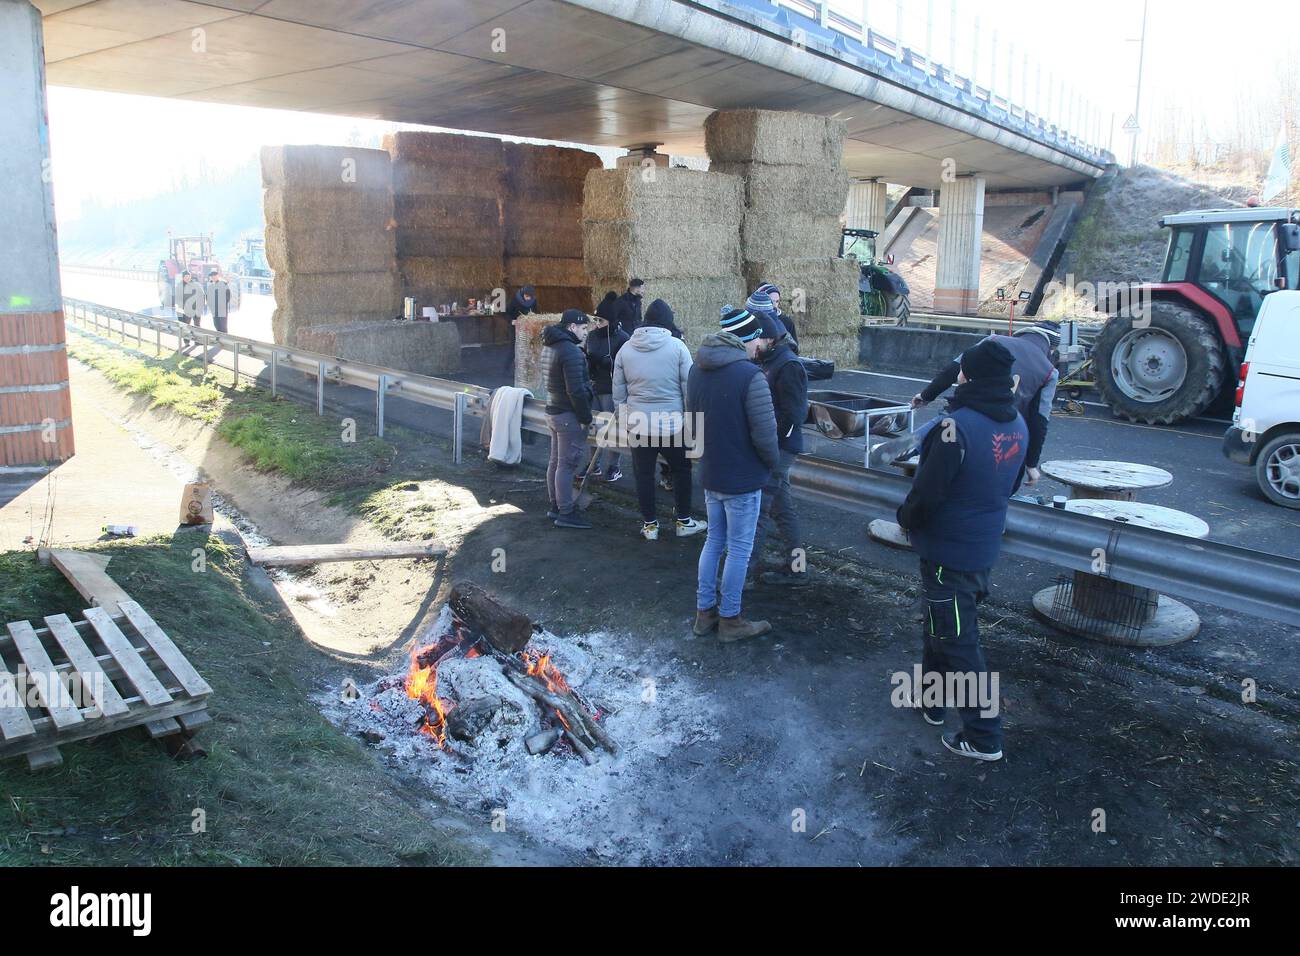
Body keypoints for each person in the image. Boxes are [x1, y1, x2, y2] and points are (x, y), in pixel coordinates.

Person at [896, 338, 1028, 762]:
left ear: (968, 376)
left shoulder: (956, 427)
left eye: (961, 370)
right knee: (942, 627)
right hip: (982, 546)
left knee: (957, 641)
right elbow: (1009, 485)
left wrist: (905, 519)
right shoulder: (1017, 424)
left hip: (947, 552)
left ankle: (984, 735)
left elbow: (927, 495)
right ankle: (931, 701)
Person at [688, 306, 779, 643]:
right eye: (757, 337)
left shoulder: (697, 370)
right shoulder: (750, 376)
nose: (760, 344)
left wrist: (703, 463)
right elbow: (765, 434)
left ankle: (704, 614)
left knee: (714, 541)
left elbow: (692, 425)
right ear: (746, 338)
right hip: (742, 477)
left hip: (712, 472)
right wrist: (770, 465)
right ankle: (731, 620)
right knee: (739, 549)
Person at [911, 321, 1060, 486]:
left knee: (931, 443)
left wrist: (926, 395)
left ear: (1024, 333)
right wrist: (1031, 464)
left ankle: (906, 449)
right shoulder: (1049, 372)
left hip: (961, 413)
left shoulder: (994, 340)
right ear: (1050, 348)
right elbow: (1039, 420)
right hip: (1003, 430)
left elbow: (954, 369)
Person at [612, 298, 706, 541]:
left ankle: (650, 526)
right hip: (673, 424)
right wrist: (693, 422)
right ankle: (684, 521)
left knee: (643, 474)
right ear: (668, 322)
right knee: (681, 471)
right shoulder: (677, 347)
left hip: (639, 424)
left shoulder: (625, 348)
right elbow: (689, 388)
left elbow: (619, 392)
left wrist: (625, 421)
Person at [748, 314, 809, 586]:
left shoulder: (788, 365)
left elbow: (794, 414)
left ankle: (745, 571)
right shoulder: (768, 360)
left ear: (770, 338)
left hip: (781, 448)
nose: (753, 343)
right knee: (782, 509)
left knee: (759, 508)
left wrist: (770, 445)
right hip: (773, 445)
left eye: (756, 338)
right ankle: (798, 567)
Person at [541, 309, 595, 529]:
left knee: (556, 462)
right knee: (566, 465)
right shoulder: (571, 351)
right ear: (572, 327)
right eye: (583, 328)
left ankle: (556, 506)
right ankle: (566, 512)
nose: (585, 333)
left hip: (553, 410)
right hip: (567, 415)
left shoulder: (549, 346)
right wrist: (585, 417)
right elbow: (576, 390)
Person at [584, 296, 629, 483]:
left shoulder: (623, 338)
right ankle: (593, 464)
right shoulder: (592, 336)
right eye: (595, 320)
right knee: (594, 427)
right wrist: (587, 361)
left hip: (611, 389)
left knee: (612, 429)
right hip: (594, 385)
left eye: (600, 320)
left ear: (611, 321)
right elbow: (587, 355)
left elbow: (626, 366)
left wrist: (609, 363)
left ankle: (613, 466)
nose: (596, 324)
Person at [504, 286, 538, 375]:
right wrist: (511, 321)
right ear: (523, 295)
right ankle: (506, 369)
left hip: (528, 327)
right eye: (527, 296)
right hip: (516, 327)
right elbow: (507, 313)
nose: (528, 298)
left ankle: (525, 369)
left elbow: (536, 312)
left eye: (530, 296)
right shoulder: (515, 300)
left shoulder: (533, 301)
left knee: (528, 347)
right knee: (513, 348)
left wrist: (534, 318)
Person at [206, 269, 234, 334]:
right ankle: (219, 339)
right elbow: (208, 297)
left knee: (223, 326)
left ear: (217, 276)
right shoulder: (210, 286)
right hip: (214, 309)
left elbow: (228, 295)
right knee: (216, 324)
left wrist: (223, 304)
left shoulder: (223, 284)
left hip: (222, 308)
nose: (213, 277)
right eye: (212, 276)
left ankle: (225, 340)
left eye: (214, 276)